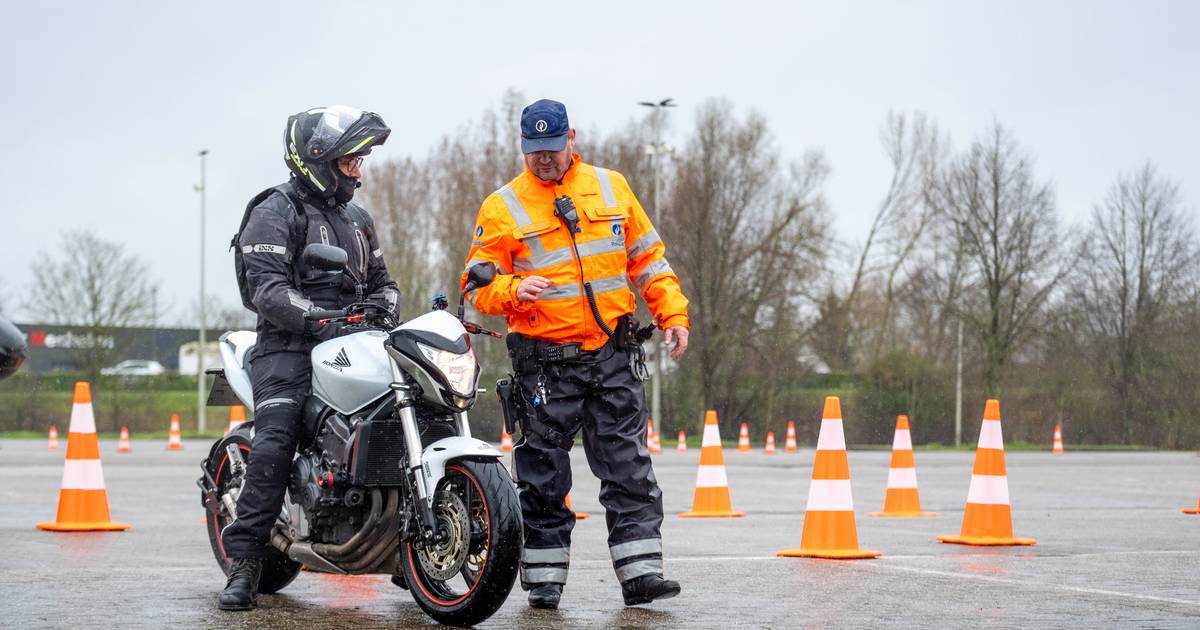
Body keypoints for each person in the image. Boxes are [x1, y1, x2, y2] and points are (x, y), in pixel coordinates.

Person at [463, 99, 690, 609]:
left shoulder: (612, 186)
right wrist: (513, 290)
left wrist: (673, 314)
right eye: (533, 151)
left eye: (551, 149)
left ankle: (642, 573)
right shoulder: (502, 206)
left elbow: (649, 261)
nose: (543, 160)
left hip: (612, 353)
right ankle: (544, 581)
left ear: (572, 139)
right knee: (542, 476)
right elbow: (476, 286)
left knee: (628, 468)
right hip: (544, 362)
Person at [218, 106, 401, 611]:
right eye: (350, 161)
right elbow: (268, 289)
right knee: (276, 438)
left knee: (403, 412)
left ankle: (408, 547)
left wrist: (387, 303)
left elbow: (383, 282)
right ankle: (246, 562)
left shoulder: (358, 220)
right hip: (287, 347)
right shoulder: (275, 210)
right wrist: (316, 316)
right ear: (317, 159)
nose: (358, 170)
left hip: (352, 343)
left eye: (359, 161)